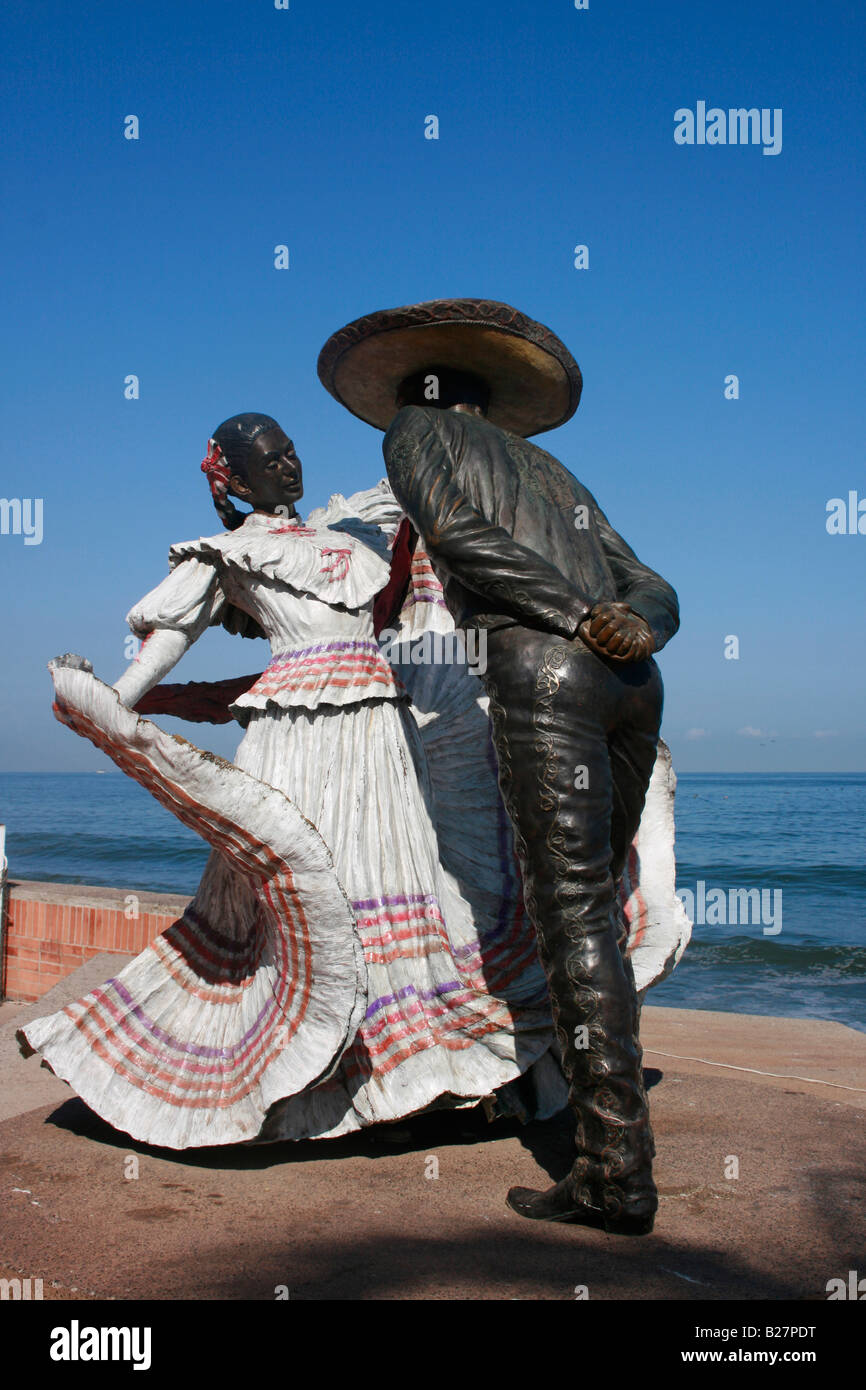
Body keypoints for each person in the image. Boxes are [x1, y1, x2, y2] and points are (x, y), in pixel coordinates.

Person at [19, 412, 566, 1147]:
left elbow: (402, 494)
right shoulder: (225, 554)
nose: (289, 466)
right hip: (297, 739)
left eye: (292, 451)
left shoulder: (347, 535)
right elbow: (173, 632)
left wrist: (453, 422)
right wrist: (114, 699)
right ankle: (295, 1084)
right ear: (238, 481)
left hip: (380, 731)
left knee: (393, 885)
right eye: (270, 461)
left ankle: (414, 1074)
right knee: (315, 892)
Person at [317, 299, 681, 1233]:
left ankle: (613, 1171)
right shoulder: (551, 468)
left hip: (546, 660)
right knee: (594, 896)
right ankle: (602, 1135)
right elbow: (649, 580)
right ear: (492, 399)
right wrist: (631, 625)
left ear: (419, 391)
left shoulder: (415, 430)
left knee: (571, 910)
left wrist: (570, 618)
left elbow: (455, 537)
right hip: (635, 679)